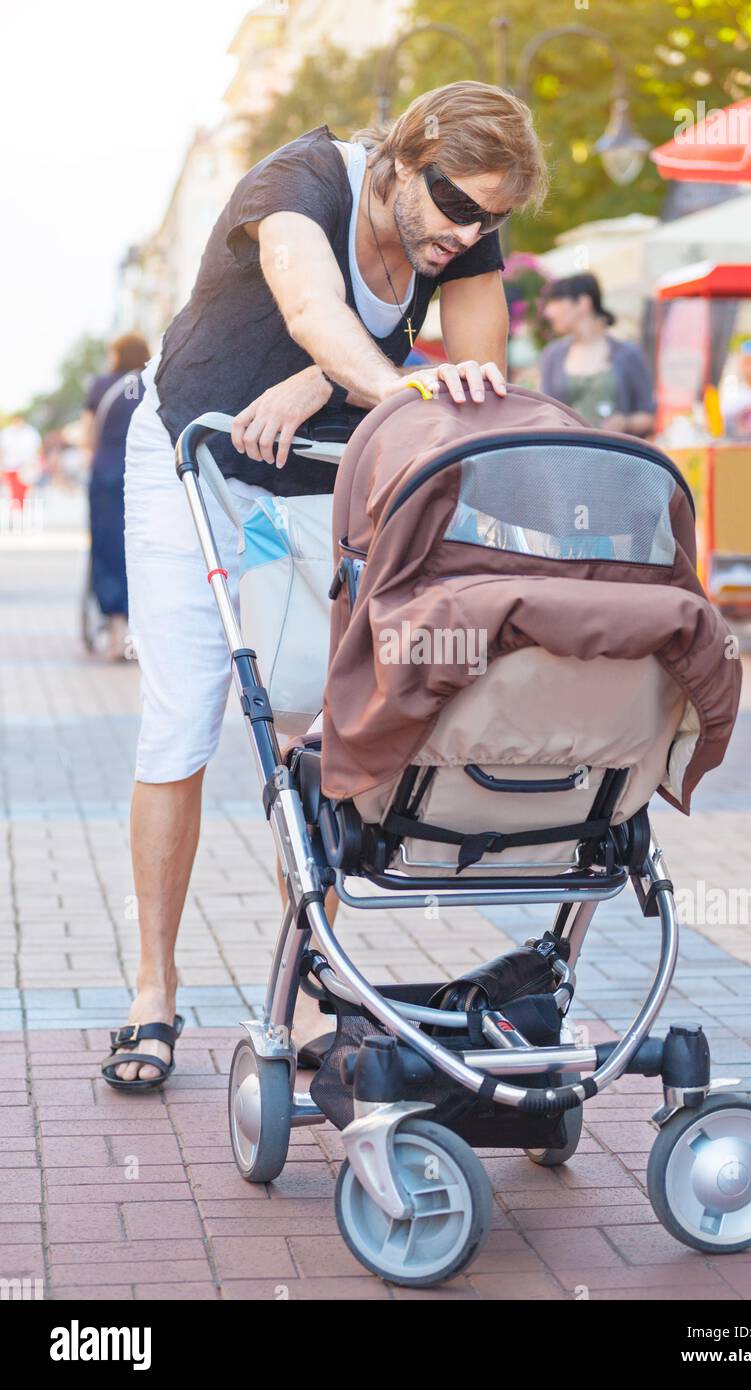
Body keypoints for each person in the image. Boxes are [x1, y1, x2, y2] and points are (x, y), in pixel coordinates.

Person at [103, 81, 548, 1087]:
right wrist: (380, 379)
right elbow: (309, 303)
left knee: (314, 725)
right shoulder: (299, 180)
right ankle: (152, 989)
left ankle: (308, 982)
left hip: (307, 476)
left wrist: (340, 376)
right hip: (193, 458)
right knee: (183, 720)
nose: (466, 233)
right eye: (455, 207)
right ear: (406, 155)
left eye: (491, 218)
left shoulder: (456, 227)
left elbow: (480, 381)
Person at [81, 333, 150, 660]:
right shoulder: (151, 383)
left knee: (107, 547)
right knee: (141, 548)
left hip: (107, 474)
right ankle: (140, 637)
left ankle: (116, 634)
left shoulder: (100, 385)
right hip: (144, 475)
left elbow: (87, 436)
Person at [537, 273, 654, 437]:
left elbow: (649, 416)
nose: (548, 312)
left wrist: (626, 422)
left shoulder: (628, 354)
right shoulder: (552, 356)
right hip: (567, 457)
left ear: (583, 303)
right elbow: (542, 413)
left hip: (616, 457)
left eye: (556, 301)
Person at [1, 413, 42, 512]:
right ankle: (14, 511)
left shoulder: (31, 432)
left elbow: (38, 449)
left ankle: (21, 511)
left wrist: (36, 464)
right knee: (12, 492)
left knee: (24, 492)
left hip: (27, 467)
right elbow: (2, 450)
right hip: (10, 467)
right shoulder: (6, 433)